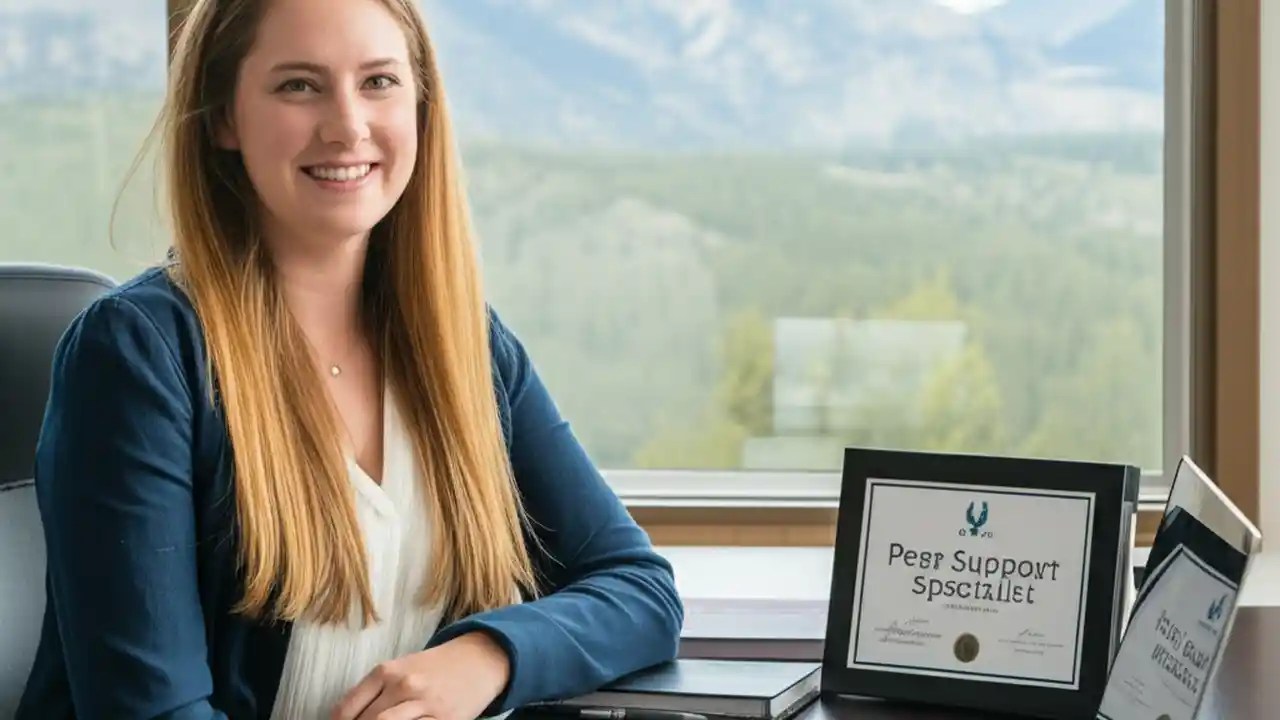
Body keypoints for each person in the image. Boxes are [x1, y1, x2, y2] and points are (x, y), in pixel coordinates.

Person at [15, 0, 683, 717]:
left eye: (379, 82)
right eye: (298, 85)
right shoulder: (140, 355)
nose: (348, 126)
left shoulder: (466, 348)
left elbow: (637, 590)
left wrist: (486, 656)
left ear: (421, 109)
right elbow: (150, 711)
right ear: (223, 119)